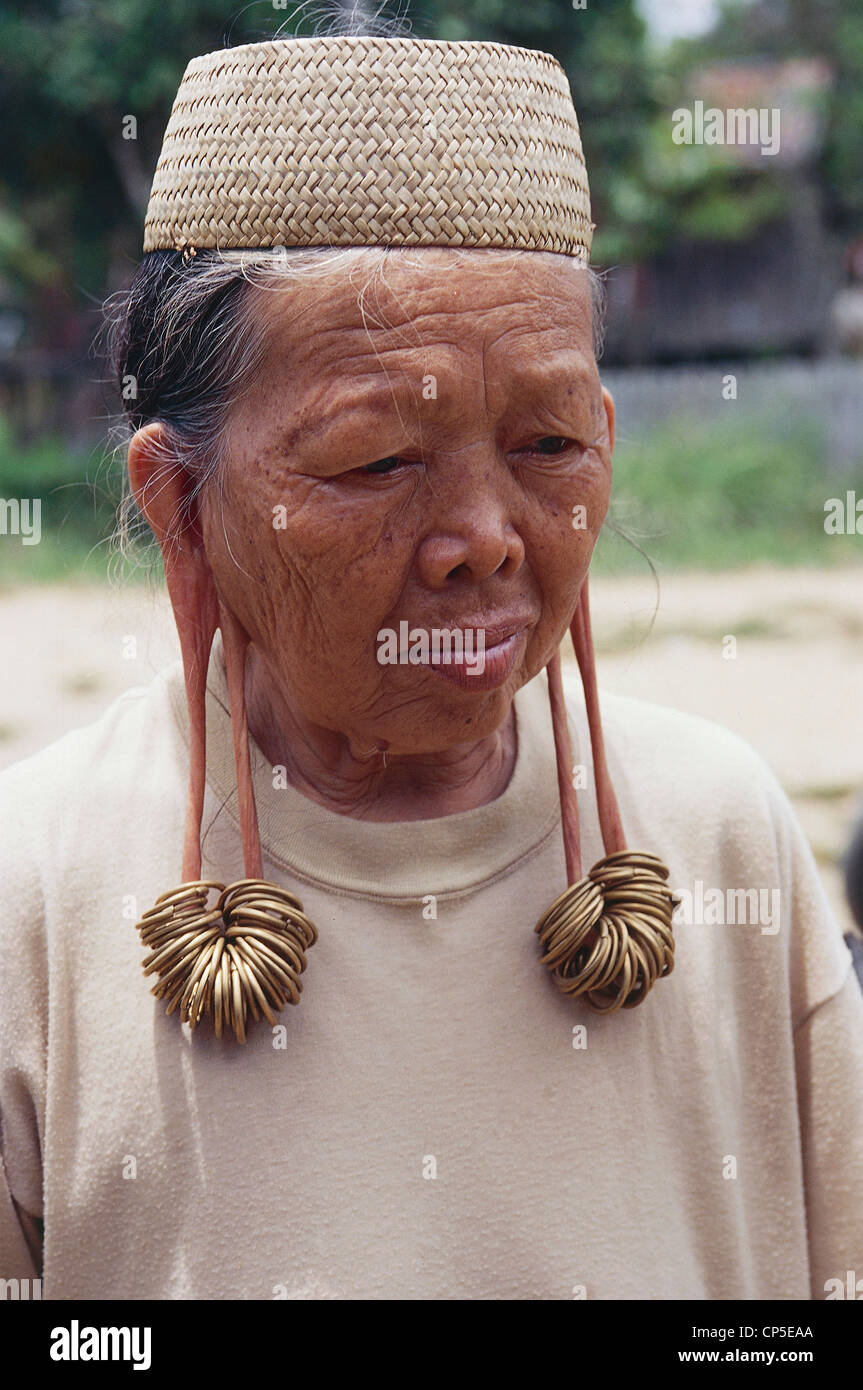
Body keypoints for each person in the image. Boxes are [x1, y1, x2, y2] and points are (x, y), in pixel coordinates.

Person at [1, 30, 861, 1302]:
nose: (485, 539)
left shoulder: (721, 832)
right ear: (181, 504)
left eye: (548, 443)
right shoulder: (34, 888)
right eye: (377, 462)